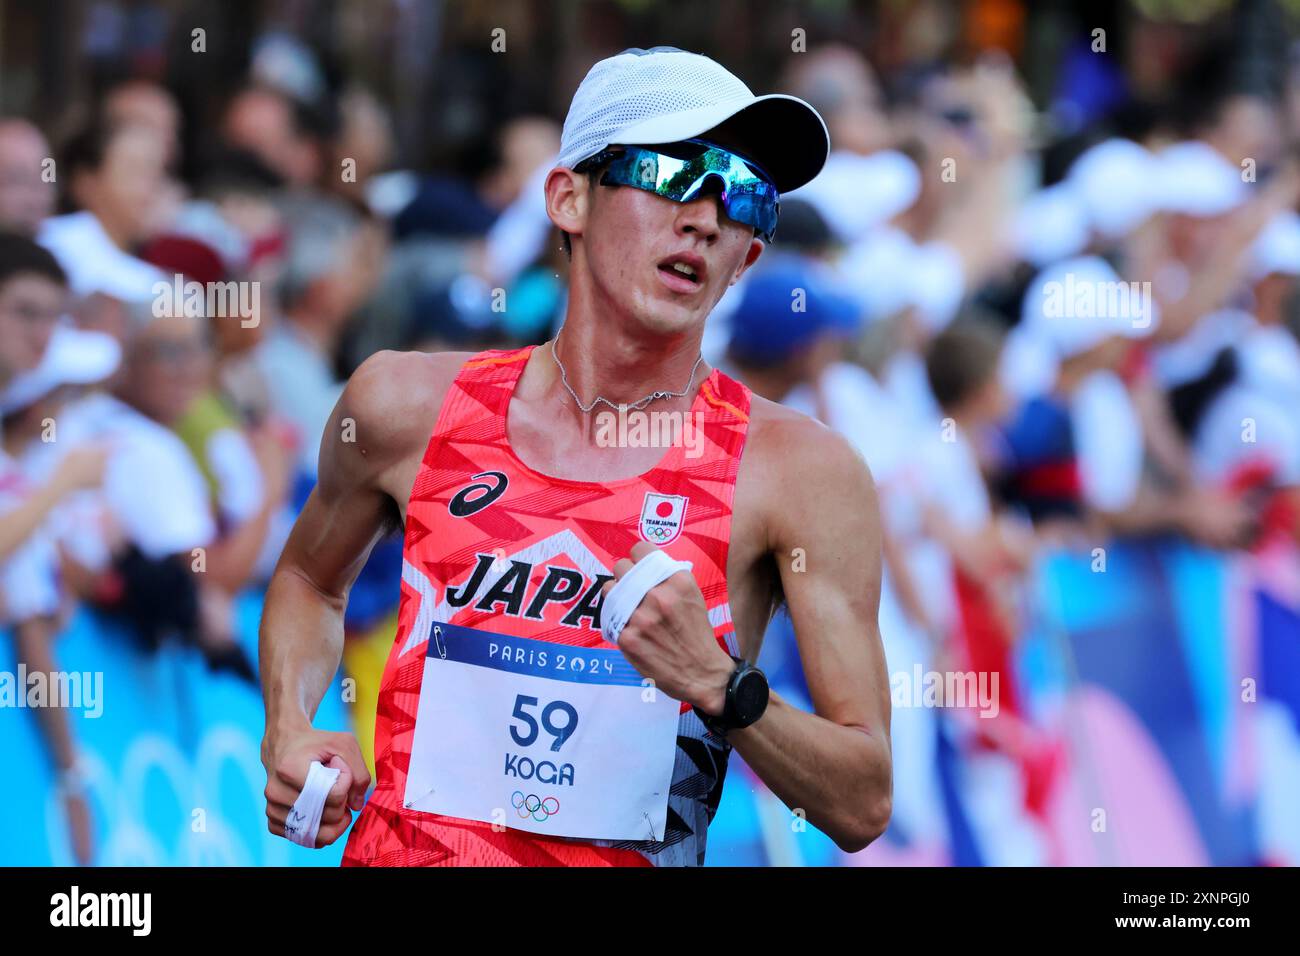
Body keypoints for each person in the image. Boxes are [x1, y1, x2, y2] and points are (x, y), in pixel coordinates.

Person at [260, 46, 892, 866]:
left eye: (742, 196)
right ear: (568, 198)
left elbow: (864, 798)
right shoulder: (402, 406)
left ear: (751, 256)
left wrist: (720, 685)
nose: (706, 216)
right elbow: (309, 580)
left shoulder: (799, 472)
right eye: (673, 172)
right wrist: (293, 722)